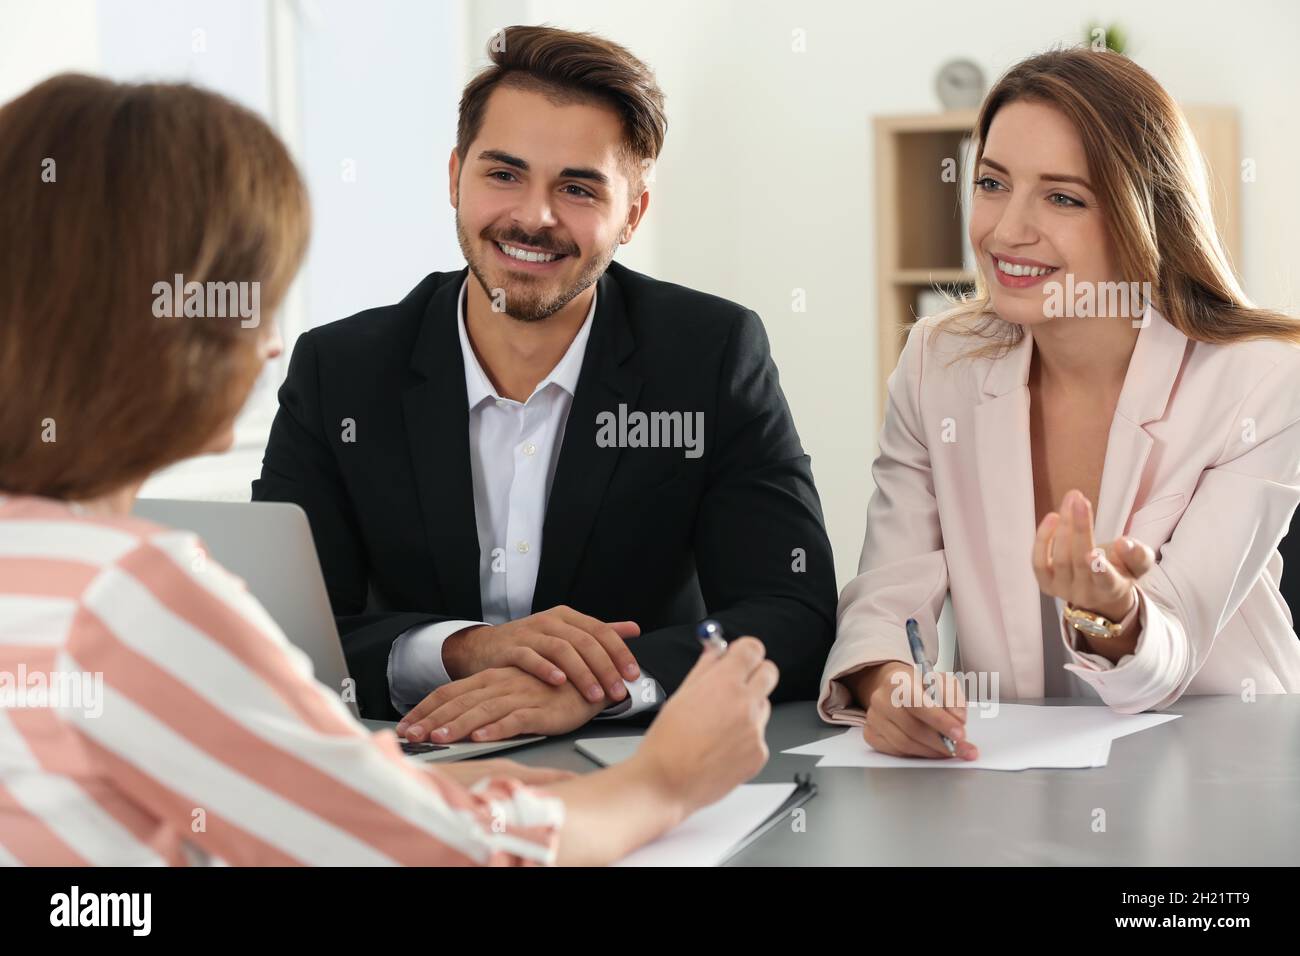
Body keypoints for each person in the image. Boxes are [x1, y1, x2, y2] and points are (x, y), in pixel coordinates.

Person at [0, 73, 775, 866]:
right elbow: (437, 854)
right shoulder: (134, 599)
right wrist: (666, 781)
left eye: (576, 186)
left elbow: (318, 801)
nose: (268, 342)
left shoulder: (50, 574)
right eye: (252, 294)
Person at [251, 25, 838, 739]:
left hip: (639, 768)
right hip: (409, 770)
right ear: (454, 177)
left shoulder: (708, 354)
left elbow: (792, 611)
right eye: (503, 174)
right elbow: (281, 634)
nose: (534, 217)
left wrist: (600, 686)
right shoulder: (338, 370)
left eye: (579, 188)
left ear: (633, 215)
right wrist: (460, 648)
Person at [821, 48, 1300, 760]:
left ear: (1147, 214)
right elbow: (890, 591)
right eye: (992, 183)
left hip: (1224, 759)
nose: (1007, 230)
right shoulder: (936, 362)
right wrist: (890, 681)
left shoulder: (1261, 380)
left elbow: (1176, 641)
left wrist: (1113, 612)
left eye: (1063, 197)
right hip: (1016, 773)